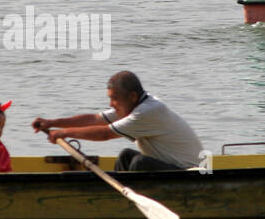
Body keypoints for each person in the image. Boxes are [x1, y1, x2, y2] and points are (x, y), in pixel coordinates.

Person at [32, 71, 204, 173]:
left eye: (114, 99)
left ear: (132, 97)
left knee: (139, 163)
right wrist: (52, 123)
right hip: (170, 167)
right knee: (125, 156)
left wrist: (64, 133)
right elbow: (94, 119)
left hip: (189, 173)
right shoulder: (134, 105)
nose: (111, 104)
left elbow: (106, 133)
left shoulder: (147, 112)